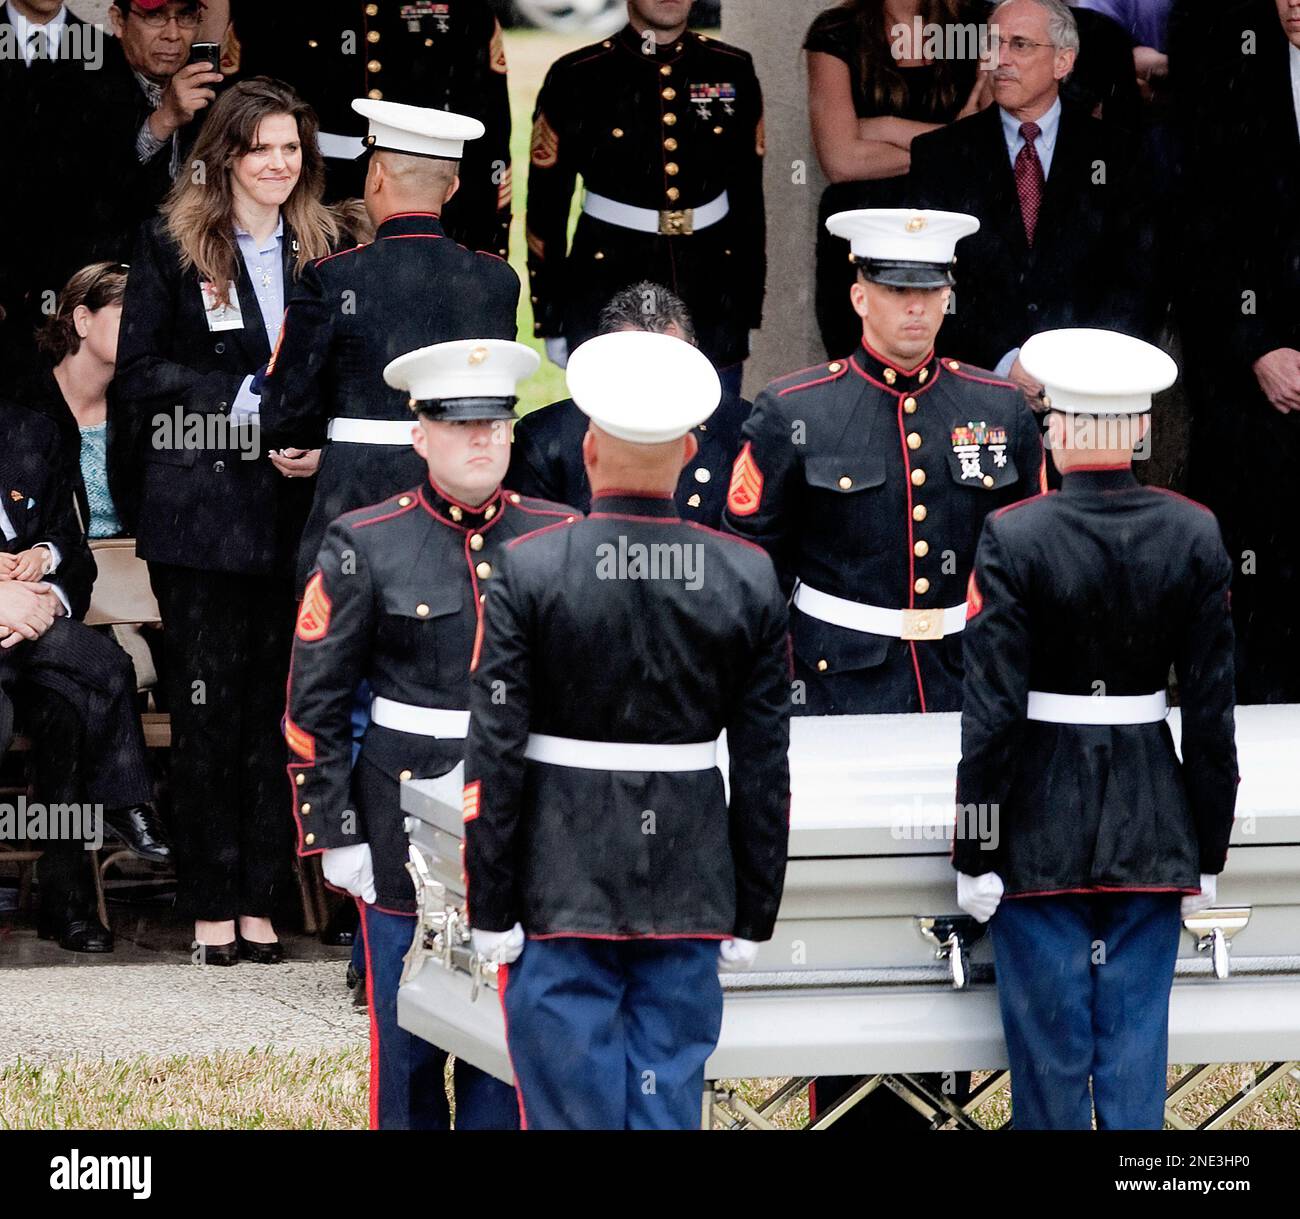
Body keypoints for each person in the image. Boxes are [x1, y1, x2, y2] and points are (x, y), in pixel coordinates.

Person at [462, 331, 791, 1130]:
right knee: (666, 1101)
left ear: (589, 447)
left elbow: (495, 753)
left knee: (569, 1106)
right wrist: (754, 908)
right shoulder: (744, 574)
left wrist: (490, 900)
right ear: (687, 450)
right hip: (689, 881)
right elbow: (762, 766)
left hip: (559, 878)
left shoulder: (531, 568)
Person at [286, 338, 575, 1130]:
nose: (482, 438)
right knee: (407, 1048)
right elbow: (315, 700)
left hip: (524, 822)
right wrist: (335, 831)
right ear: (420, 435)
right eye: (458, 422)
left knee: (504, 1050)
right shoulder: (365, 541)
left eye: (496, 422)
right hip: (400, 823)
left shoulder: (562, 535)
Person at [954, 327, 1238, 1129]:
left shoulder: (1014, 535)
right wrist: (1205, 848)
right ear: (1141, 431)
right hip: (1154, 829)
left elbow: (993, 719)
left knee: (1048, 1081)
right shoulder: (1194, 530)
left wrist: (976, 848)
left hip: (1040, 833)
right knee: (1132, 1072)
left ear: (1063, 430)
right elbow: (1211, 715)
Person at [113, 78, 341, 965]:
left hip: (293, 511)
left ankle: (261, 899)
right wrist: (241, 400)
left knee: (272, 715)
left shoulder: (323, 247)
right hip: (200, 517)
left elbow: (343, 370)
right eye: (263, 149)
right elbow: (138, 377)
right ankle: (209, 903)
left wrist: (316, 441)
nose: (280, 164)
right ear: (225, 155)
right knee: (207, 710)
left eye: (292, 149)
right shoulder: (172, 245)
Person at [725, 209, 1043, 717]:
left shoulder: (999, 406)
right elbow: (750, 565)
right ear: (859, 298)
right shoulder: (794, 409)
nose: (914, 307)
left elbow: (1032, 555)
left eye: (929, 291)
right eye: (896, 291)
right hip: (833, 685)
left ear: (947, 297)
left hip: (968, 680)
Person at [259, 98, 520, 591]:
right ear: (454, 185)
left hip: (357, 491)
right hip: (461, 489)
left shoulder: (332, 276)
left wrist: (321, 436)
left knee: (342, 635)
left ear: (375, 178)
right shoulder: (495, 279)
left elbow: (286, 409)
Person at [908, 0, 1152, 395]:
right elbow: (930, 281)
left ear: (1063, 62)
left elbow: (1136, 279)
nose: (1000, 60)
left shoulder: (1119, 156)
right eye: (992, 44)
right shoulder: (940, 155)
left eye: (1020, 45)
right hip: (975, 391)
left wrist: (1074, 369)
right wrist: (1003, 362)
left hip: (1091, 393)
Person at [525, 0, 765, 396]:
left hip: (709, 288)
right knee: (614, 430)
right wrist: (551, 318)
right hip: (610, 281)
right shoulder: (577, 76)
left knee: (713, 435)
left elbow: (748, 202)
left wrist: (746, 306)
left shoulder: (731, 68)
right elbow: (547, 208)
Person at [1172, 0, 1300, 703]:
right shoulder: (1230, 64)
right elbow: (1202, 221)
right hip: (1251, 380)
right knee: (1251, 582)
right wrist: (1257, 346)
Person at [0, 402, 158, 952]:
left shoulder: (31, 431)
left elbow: (76, 553)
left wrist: (45, 574)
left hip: (39, 632)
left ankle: (67, 906)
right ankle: (126, 800)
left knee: (73, 706)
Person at [222, 0, 513, 256]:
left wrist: (482, 244)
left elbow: (486, 130)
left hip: (423, 196)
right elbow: (238, 108)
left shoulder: (462, 7)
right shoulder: (268, 7)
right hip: (308, 191)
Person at [804, 0, 991, 358]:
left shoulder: (974, 26)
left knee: (955, 375)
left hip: (950, 235)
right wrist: (947, 141)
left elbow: (984, 146)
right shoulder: (837, 32)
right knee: (862, 379)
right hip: (863, 240)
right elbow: (842, 160)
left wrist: (885, 126)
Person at [507, 281, 751, 526]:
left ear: (695, 352)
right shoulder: (544, 438)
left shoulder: (741, 430)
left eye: (671, 363)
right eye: (636, 365)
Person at [13, 264, 132, 541]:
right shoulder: (23, 408)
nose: (140, 330)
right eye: (126, 316)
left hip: (130, 570)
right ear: (82, 320)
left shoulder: (138, 409)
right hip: (45, 570)